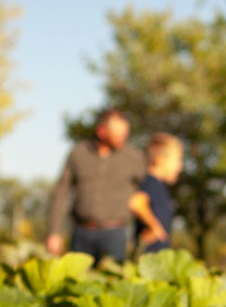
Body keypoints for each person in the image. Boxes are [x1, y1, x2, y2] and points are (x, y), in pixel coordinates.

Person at [46, 108, 147, 264]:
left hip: (115, 235)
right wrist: (54, 232)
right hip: (81, 233)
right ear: (101, 131)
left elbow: (148, 193)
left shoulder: (133, 158)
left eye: (125, 133)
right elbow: (61, 192)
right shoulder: (78, 153)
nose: (123, 137)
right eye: (118, 133)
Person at [131, 133, 182, 255]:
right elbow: (136, 203)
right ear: (160, 160)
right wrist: (155, 227)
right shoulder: (151, 182)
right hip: (150, 257)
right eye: (177, 160)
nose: (180, 166)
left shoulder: (159, 185)